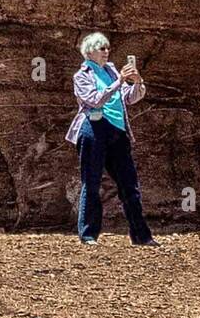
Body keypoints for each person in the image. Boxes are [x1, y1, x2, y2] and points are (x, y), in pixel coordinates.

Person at [65, 31, 158, 246]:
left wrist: (137, 82)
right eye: (102, 48)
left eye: (107, 48)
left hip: (118, 131)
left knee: (129, 185)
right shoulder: (82, 76)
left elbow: (130, 98)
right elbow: (94, 101)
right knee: (92, 181)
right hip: (93, 129)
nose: (107, 52)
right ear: (89, 52)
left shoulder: (112, 71)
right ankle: (88, 235)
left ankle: (142, 236)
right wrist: (118, 81)